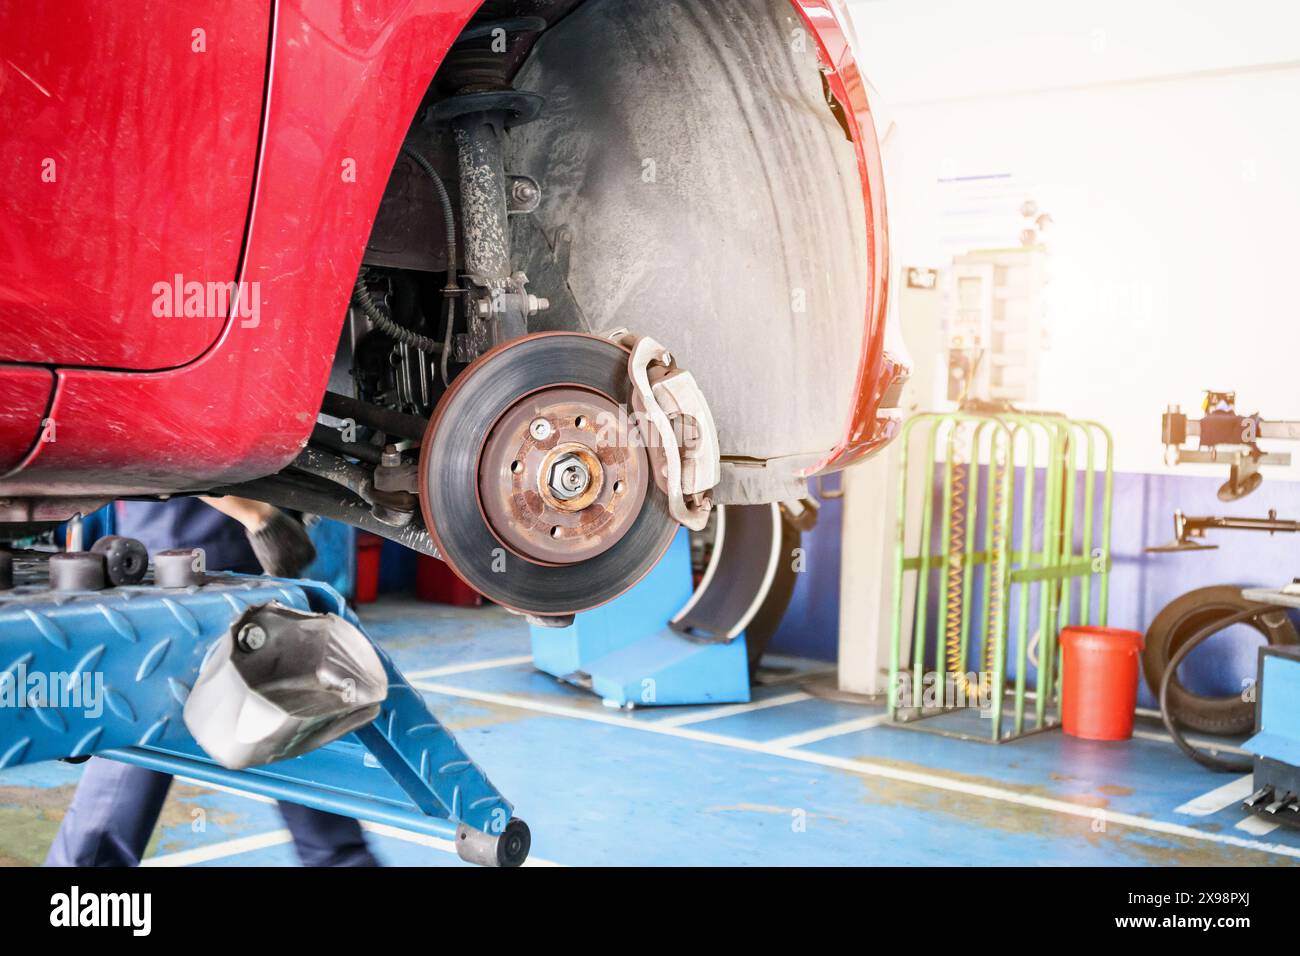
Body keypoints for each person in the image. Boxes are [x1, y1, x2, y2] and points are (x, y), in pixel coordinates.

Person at [46, 496, 379, 867]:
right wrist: (259, 515)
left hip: (247, 573)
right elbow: (167, 442)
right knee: (127, 777)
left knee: (293, 743)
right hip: (182, 575)